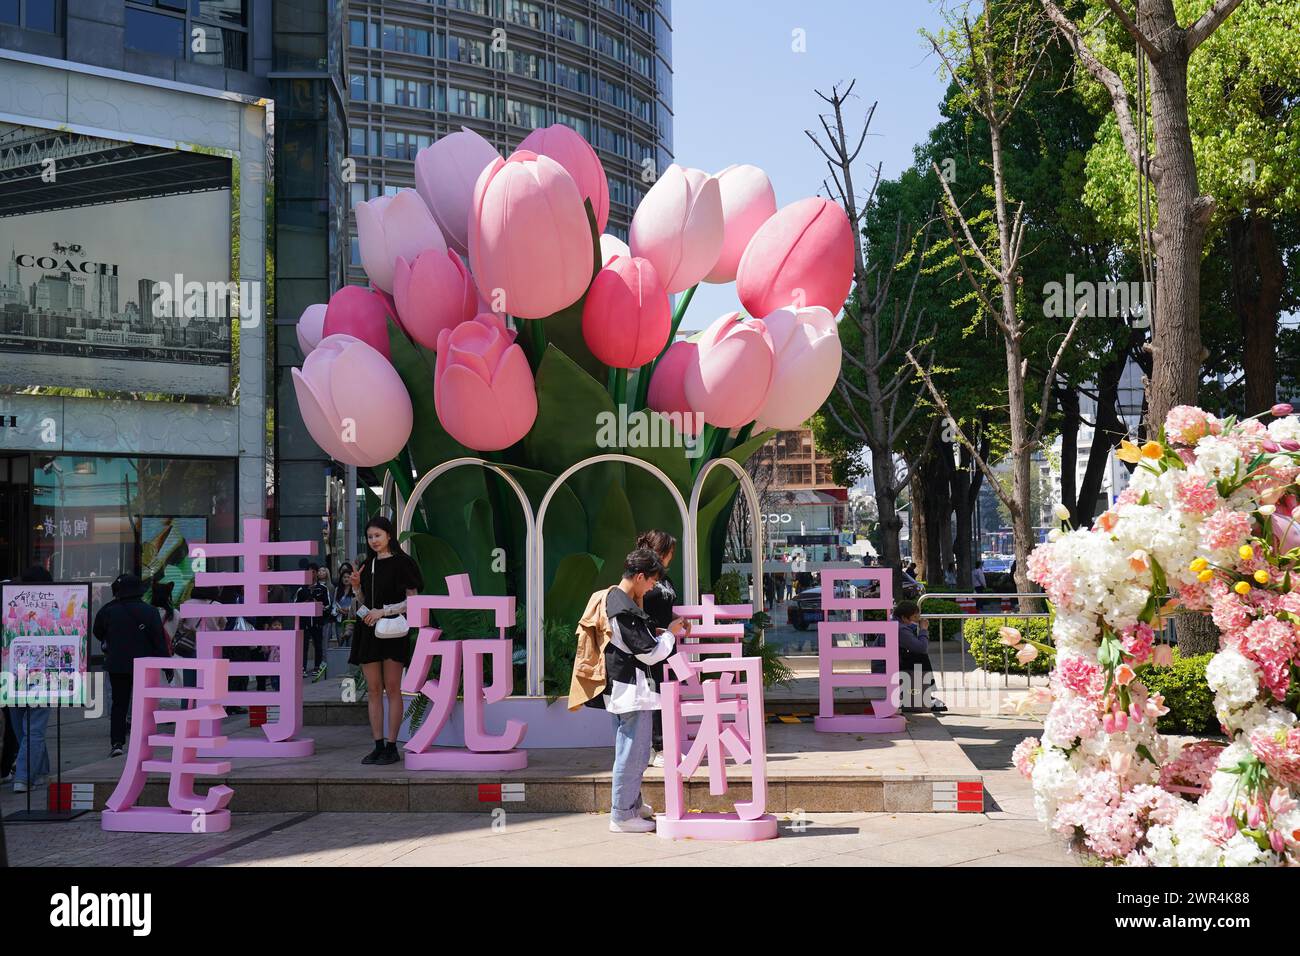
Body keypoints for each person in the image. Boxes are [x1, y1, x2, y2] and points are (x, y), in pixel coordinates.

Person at [569, 549, 688, 833]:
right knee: (632, 752)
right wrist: (670, 633)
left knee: (633, 749)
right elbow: (648, 653)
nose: (651, 588)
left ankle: (631, 805)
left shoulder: (617, 599)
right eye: (650, 582)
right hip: (629, 689)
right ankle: (622, 814)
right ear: (639, 576)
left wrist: (658, 632)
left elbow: (637, 641)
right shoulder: (621, 607)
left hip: (627, 688)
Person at [349, 516, 423, 766]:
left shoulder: (404, 563)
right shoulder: (367, 565)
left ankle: (392, 745)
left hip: (393, 631)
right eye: (370, 537)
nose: (373, 541)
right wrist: (357, 588)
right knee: (372, 689)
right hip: (368, 630)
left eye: (377, 536)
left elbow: (412, 601)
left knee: (392, 687)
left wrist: (384, 611)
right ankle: (378, 744)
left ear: (389, 535)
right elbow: (363, 603)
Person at [94, 573, 170, 757]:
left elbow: (98, 631)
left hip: (117, 664)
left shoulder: (108, 610)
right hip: (143, 664)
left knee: (119, 704)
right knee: (142, 703)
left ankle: (117, 742)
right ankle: (142, 739)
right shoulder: (149, 611)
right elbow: (158, 640)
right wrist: (167, 665)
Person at [636, 530, 684, 769]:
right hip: (651, 646)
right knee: (654, 695)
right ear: (659, 552)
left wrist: (678, 619)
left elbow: (666, 608)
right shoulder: (642, 578)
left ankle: (665, 746)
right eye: (669, 552)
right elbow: (637, 613)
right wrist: (657, 631)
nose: (671, 557)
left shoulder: (665, 580)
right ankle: (655, 747)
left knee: (667, 694)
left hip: (668, 645)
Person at [11, 566, 54, 792]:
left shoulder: (10, 603)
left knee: (28, 730)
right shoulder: (47, 608)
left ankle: (27, 775)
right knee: (29, 730)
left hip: (17, 675)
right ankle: (34, 773)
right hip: (33, 674)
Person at [895, 599, 946, 714]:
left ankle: (924, 693)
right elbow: (921, 647)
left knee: (919, 657)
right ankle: (923, 695)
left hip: (892, 662)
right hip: (888, 667)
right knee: (920, 657)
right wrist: (923, 630)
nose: (917, 619)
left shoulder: (898, 625)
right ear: (904, 618)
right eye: (914, 617)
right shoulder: (901, 630)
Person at [296, 563, 331, 677]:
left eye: (314, 572)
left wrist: (317, 604)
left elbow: (327, 605)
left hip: (317, 621)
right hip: (304, 622)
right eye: (310, 572)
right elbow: (295, 605)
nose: (312, 574)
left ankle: (317, 667)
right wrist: (305, 604)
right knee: (304, 645)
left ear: (316, 573)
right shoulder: (301, 589)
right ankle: (303, 668)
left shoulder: (322, 588)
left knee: (318, 644)